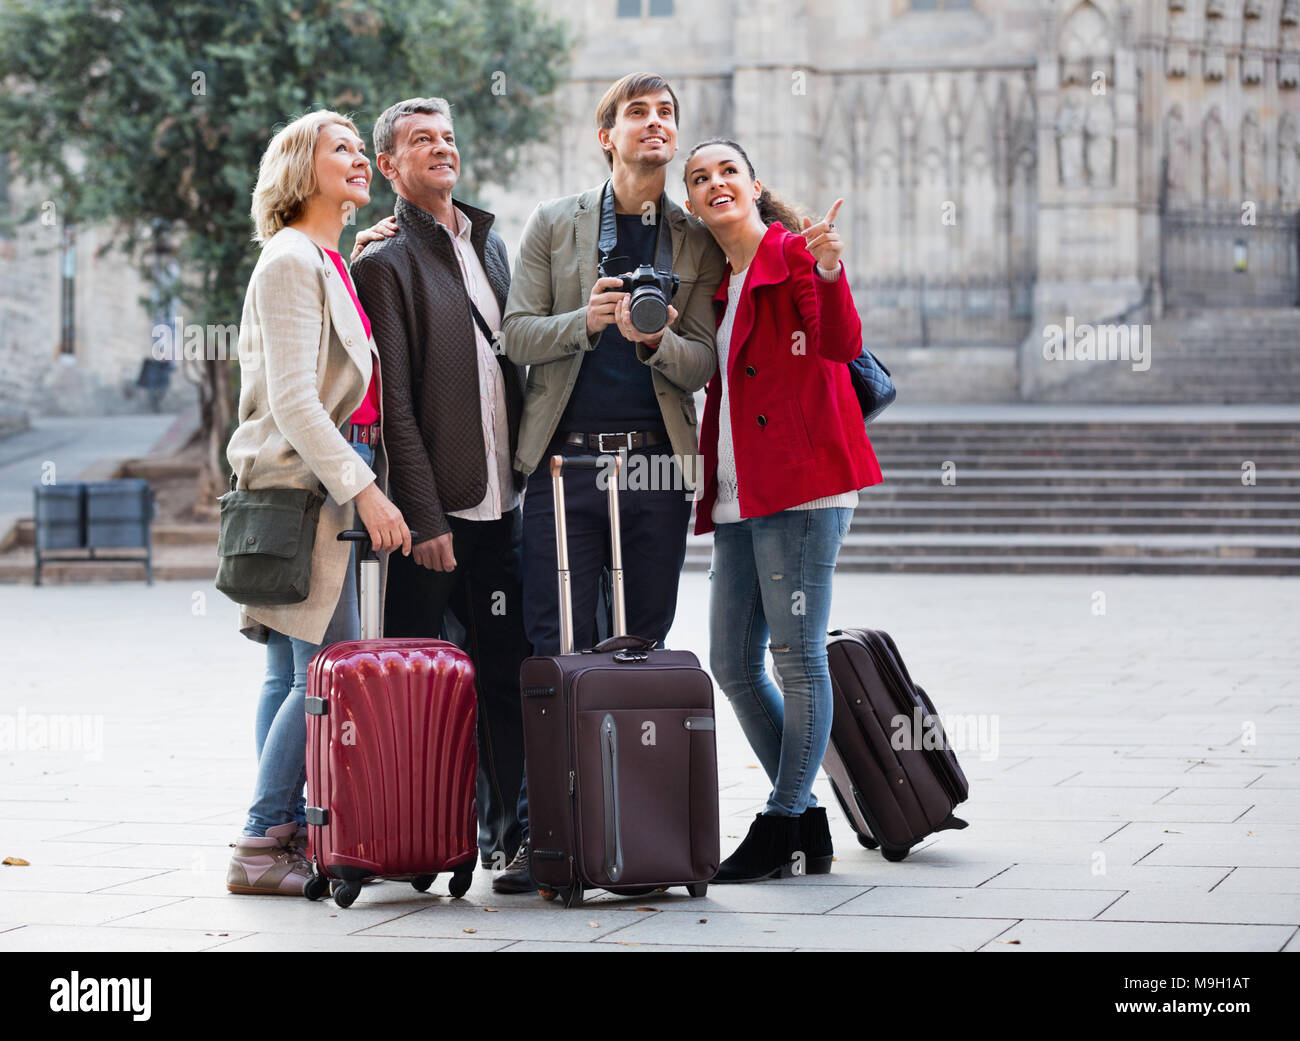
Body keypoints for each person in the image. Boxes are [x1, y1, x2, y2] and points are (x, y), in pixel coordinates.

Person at [495, 72, 725, 893]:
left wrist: (655, 342)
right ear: (608, 135)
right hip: (565, 464)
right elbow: (516, 336)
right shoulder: (556, 225)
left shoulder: (692, 241)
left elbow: (701, 358)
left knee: (643, 649)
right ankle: (540, 834)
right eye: (639, 114)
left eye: (666, 114)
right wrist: (585, 322)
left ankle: (637, 828)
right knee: (554, 648)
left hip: (657, 468)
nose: (656, 124)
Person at [681, 138, 883, 883]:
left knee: (794, 658)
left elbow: (839, 341)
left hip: (802, 486)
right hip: (739, 492)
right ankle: (805, 823)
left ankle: (779, 823)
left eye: (726, 170)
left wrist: (829, 269)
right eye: (699, 178)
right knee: (733, 663)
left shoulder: (795, 254)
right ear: (695, 202)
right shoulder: (716, 283)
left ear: (754, 184)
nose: (713, 183)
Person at [224, 109, 412, 895]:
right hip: (312, 491)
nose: (360, 157)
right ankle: (262, 841)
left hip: (301, 486)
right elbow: (298, 401)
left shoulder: (323, 258)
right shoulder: (290, 260)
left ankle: (286, 826)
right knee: (325, 676)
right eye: (341, 148)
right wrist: (365, 489)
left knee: (288, 673)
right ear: (302, 167)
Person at [347, 97, 530, 873]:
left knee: (504, 671)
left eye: (449, 138)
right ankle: (416, 834)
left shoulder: (490, 248)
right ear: (389, 166)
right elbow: (394, 409)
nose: (442, 150)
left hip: (505, 505)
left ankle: (507, 833)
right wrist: (423, 518)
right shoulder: (383, 261)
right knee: (421, 680)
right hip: (437, 514)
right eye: (421, 141)